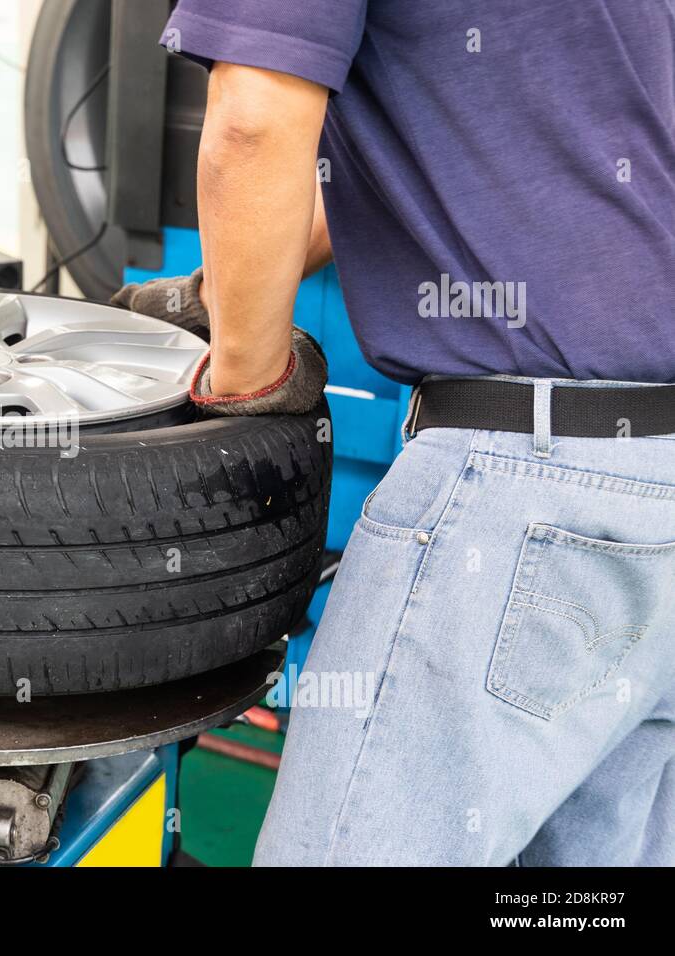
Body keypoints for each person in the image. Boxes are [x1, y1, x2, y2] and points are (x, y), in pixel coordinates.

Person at [114, 0, 675, 865]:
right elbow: (482, 154)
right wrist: (212, 291)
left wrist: (245, 380)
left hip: (527, 490)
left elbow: (256, 121)